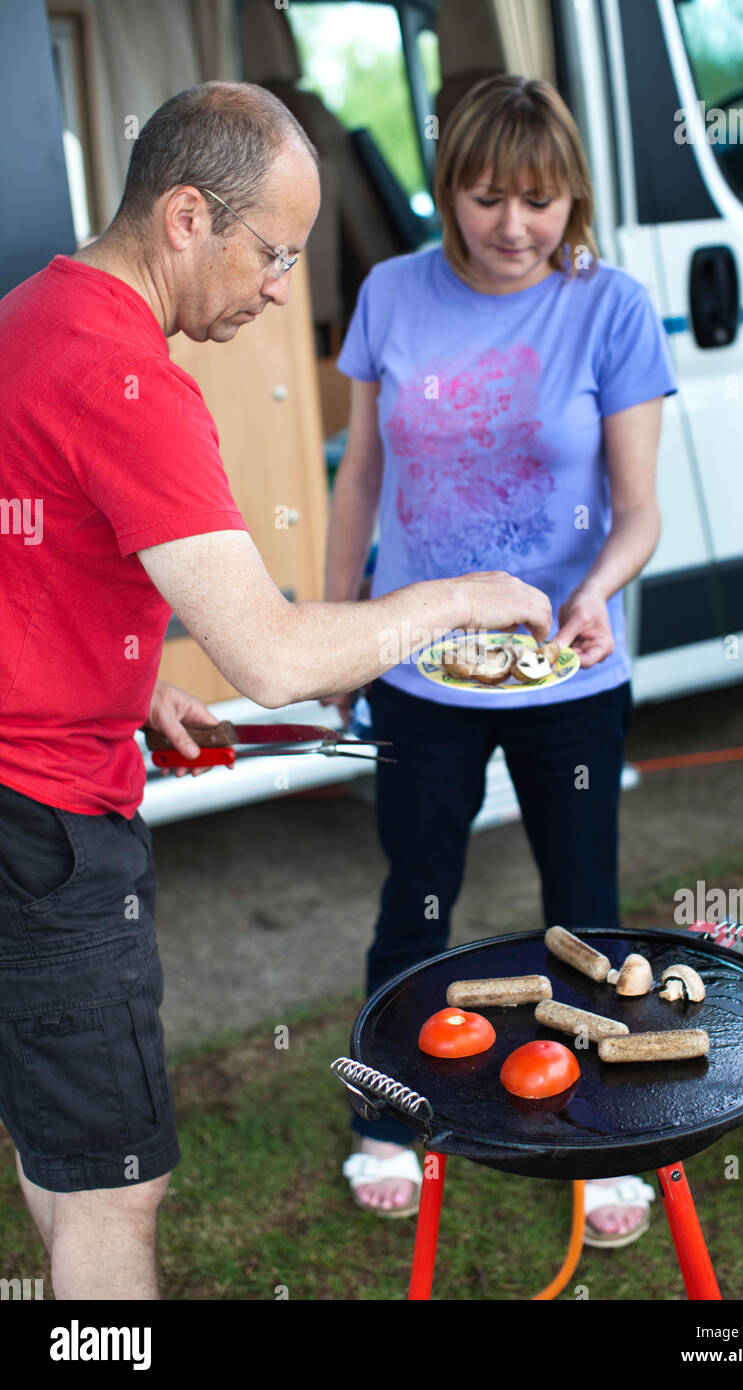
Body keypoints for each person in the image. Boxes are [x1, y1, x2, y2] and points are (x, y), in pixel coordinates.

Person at [0, 79, 551, 1300]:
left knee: (60, 1142)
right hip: (43, 829)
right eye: (273, 252)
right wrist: (455, 597)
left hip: (25, 775)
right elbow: (275, 658)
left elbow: (22, 552)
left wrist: (123, 687)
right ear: (187, 217)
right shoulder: (128, 382)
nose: (279, 286)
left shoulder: (30, 314)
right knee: (111, 1190)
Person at [325, 75, 677, 1243]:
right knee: (414, 899)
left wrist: (592, 594)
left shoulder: (610, 306)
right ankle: (388, 1114)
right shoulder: (389, 291)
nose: (514, 226)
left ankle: (601, 1135)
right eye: (486, 198)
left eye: (540, 200)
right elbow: (361, 477)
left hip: (565, 673)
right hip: (421, 668)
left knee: (581, 907)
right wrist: (338, 624)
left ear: (570, 195)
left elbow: (638, 510)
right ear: (448, 189)